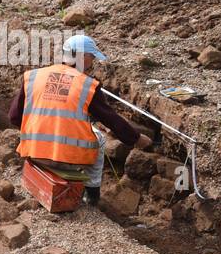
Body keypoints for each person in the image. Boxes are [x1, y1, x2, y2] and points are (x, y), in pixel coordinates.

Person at [8, 34, 140, 205]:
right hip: (67, 161)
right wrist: (136, 138)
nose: (92, 63)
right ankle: (92, 193)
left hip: (34, 154)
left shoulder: (34, 76)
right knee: (99, 138)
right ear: (82, 57)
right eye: (91, 57)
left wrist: (38, 131)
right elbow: (111, 119)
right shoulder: (87, 85)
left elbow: (13, 117)